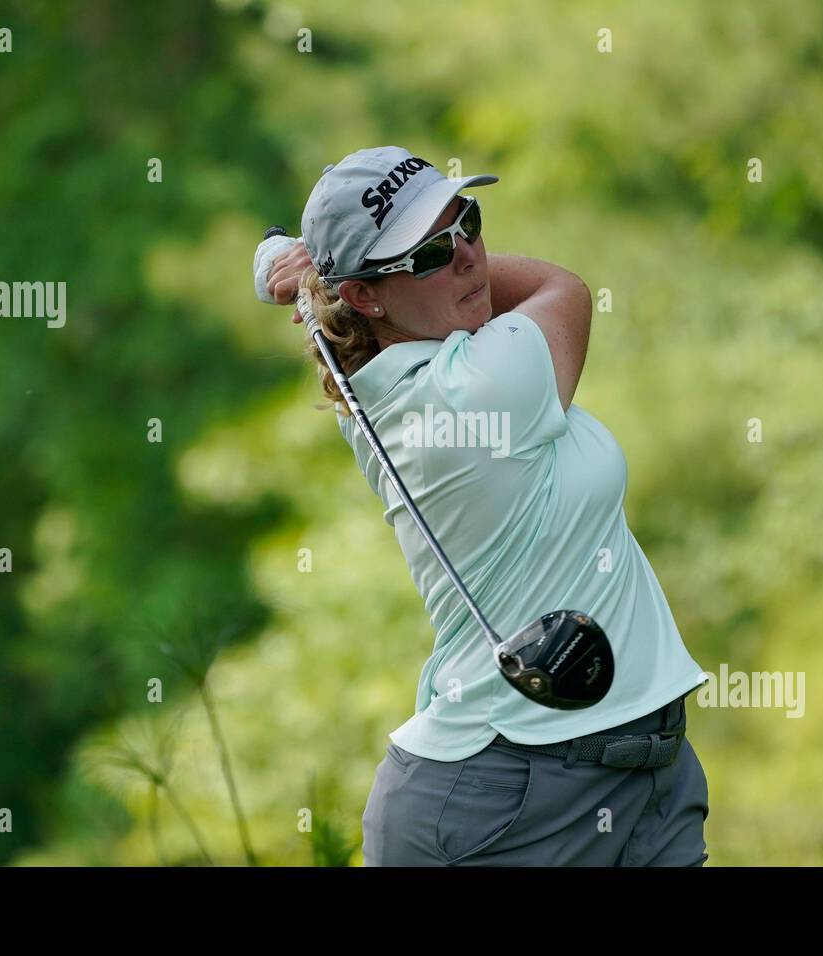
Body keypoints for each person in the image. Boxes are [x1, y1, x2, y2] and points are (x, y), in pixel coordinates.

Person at [260, 145, 709, 866]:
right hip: (505, 801)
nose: (469, 256)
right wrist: (317, 272)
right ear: (367, 297)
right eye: (432, 251)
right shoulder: (473, 390)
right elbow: (564, 287)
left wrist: (327, 274)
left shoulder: (402, 363)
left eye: (467, 221)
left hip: (641, 778)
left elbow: (452, 291)